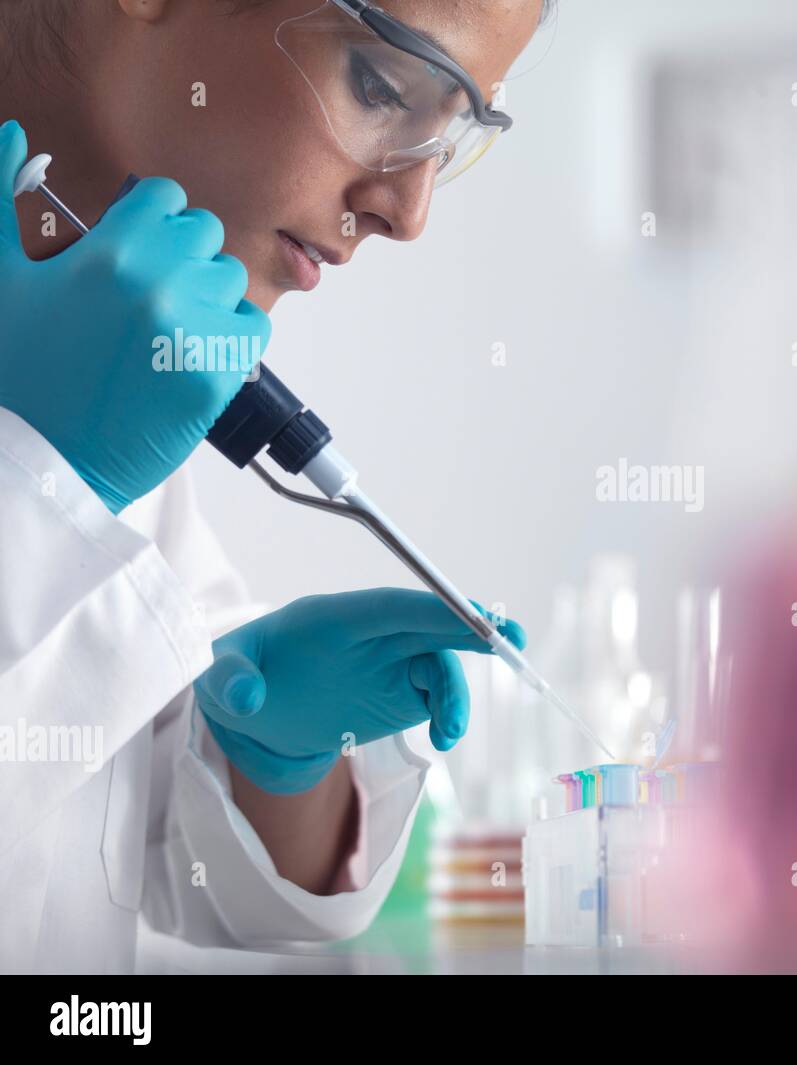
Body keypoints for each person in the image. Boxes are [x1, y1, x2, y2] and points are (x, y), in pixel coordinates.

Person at [0, 0, 548, 973]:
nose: (409, 211)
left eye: (454, 133)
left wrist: (267, 755)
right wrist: (38, 486)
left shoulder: (95, 352)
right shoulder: (82, 398)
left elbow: (157, 845)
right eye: (384, 87)